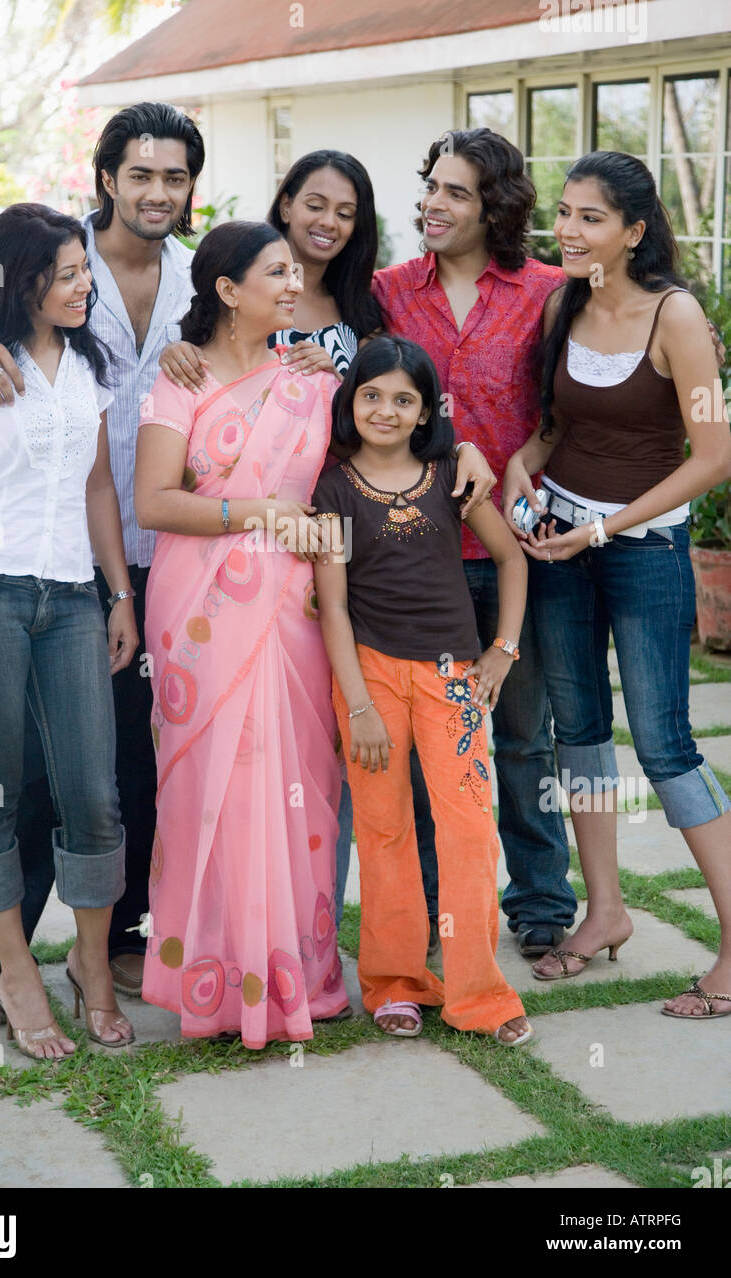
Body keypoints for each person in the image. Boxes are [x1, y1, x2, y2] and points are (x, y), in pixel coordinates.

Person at [0, 102, 204, 1020]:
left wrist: (117, 591)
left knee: (111, 777)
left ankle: (113, 948)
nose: (157, 190)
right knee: (10, 774)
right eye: (140, 173)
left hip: (134, 565)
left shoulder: (192, 278)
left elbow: (104, 481)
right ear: (108, 178)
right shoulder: (43, 269)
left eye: (174, 175)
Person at [157, 149, 494, 928]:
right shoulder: (235, 294)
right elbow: (193, 386)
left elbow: (406, 399)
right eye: (315, 204)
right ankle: (250, 930)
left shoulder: (367, 311)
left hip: (343, 551)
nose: (328, 223)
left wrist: (460, 445)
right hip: (239, 559)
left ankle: (382, 925)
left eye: (347, 212)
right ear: (283, 205)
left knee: (335, 754)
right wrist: (179, 349)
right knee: (255, 754)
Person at [503, 151, 731, 1018]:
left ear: (635, 232)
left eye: (590, 217)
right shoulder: (564, 304)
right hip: (561, 542)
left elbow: (714, 456)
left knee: (667, 745)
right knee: (581, 734)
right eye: (563, 212)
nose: (566, 229)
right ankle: (604, 913)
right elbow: (557, 424)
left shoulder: (675, 317)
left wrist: (609, 526)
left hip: (644, 552)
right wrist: (525, 465)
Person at [0, 204, 139, 1057]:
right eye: (69, 273)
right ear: (21, 277)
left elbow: (97, 492)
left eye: (86, 270)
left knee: (92, 793)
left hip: (72, 600)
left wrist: (120, 593)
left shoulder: (89, 366)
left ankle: (88, 964)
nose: (85, 286)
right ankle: (11, 969)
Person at [134, 220, 349, 1047]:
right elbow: (155, 501)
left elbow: (369, 464)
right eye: (275, 274)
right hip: (199, 615)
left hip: (292, 609)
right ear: (227, 291)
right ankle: (216, 982)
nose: (293, 285)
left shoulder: (312, 380)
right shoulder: (178, 383)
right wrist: (254, 513)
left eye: (295, 273)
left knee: (298, 777)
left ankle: (300, 975)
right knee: (206, 792)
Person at [371, 127, 577, 958]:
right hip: (416, 556)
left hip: (516, 548)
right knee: (428, 750)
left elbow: (568, 404)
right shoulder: (387, 291)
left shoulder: (549, 290)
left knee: (525, 735)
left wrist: (524, 459)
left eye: (456, 192)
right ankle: (431, 907)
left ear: (495, 205)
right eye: (431, 187)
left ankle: (540, 902)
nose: (434, 204)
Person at [311, 335, 532, 1044]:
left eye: (403, 398)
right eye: (371, 394)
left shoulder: (448, 476)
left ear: (425, 410)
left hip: (452, 678)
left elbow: (509, 558)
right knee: (384, 832)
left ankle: (479, 995)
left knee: (468, 830)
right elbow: (334, 606)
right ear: (351, 401)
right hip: (370, 674)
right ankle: (396, 984)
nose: (384, 409)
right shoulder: (333, 486)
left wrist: (502, 649)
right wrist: (362, 707)